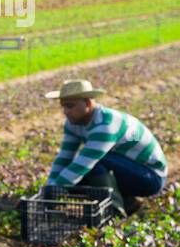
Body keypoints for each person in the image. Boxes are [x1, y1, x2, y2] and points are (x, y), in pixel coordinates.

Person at [44, 79, 168, 215]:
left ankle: (114, 210)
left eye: (70, 106)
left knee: (90, 165)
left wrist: (50, 193)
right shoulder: (73, 124)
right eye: (63, 106)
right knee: (75, 178)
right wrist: (49, 187)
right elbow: (64, 158)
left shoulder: (106, 124)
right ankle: (128, 201)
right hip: (127, 169)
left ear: (87, 103)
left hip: (151, 176)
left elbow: (82, 165)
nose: (65, 112)